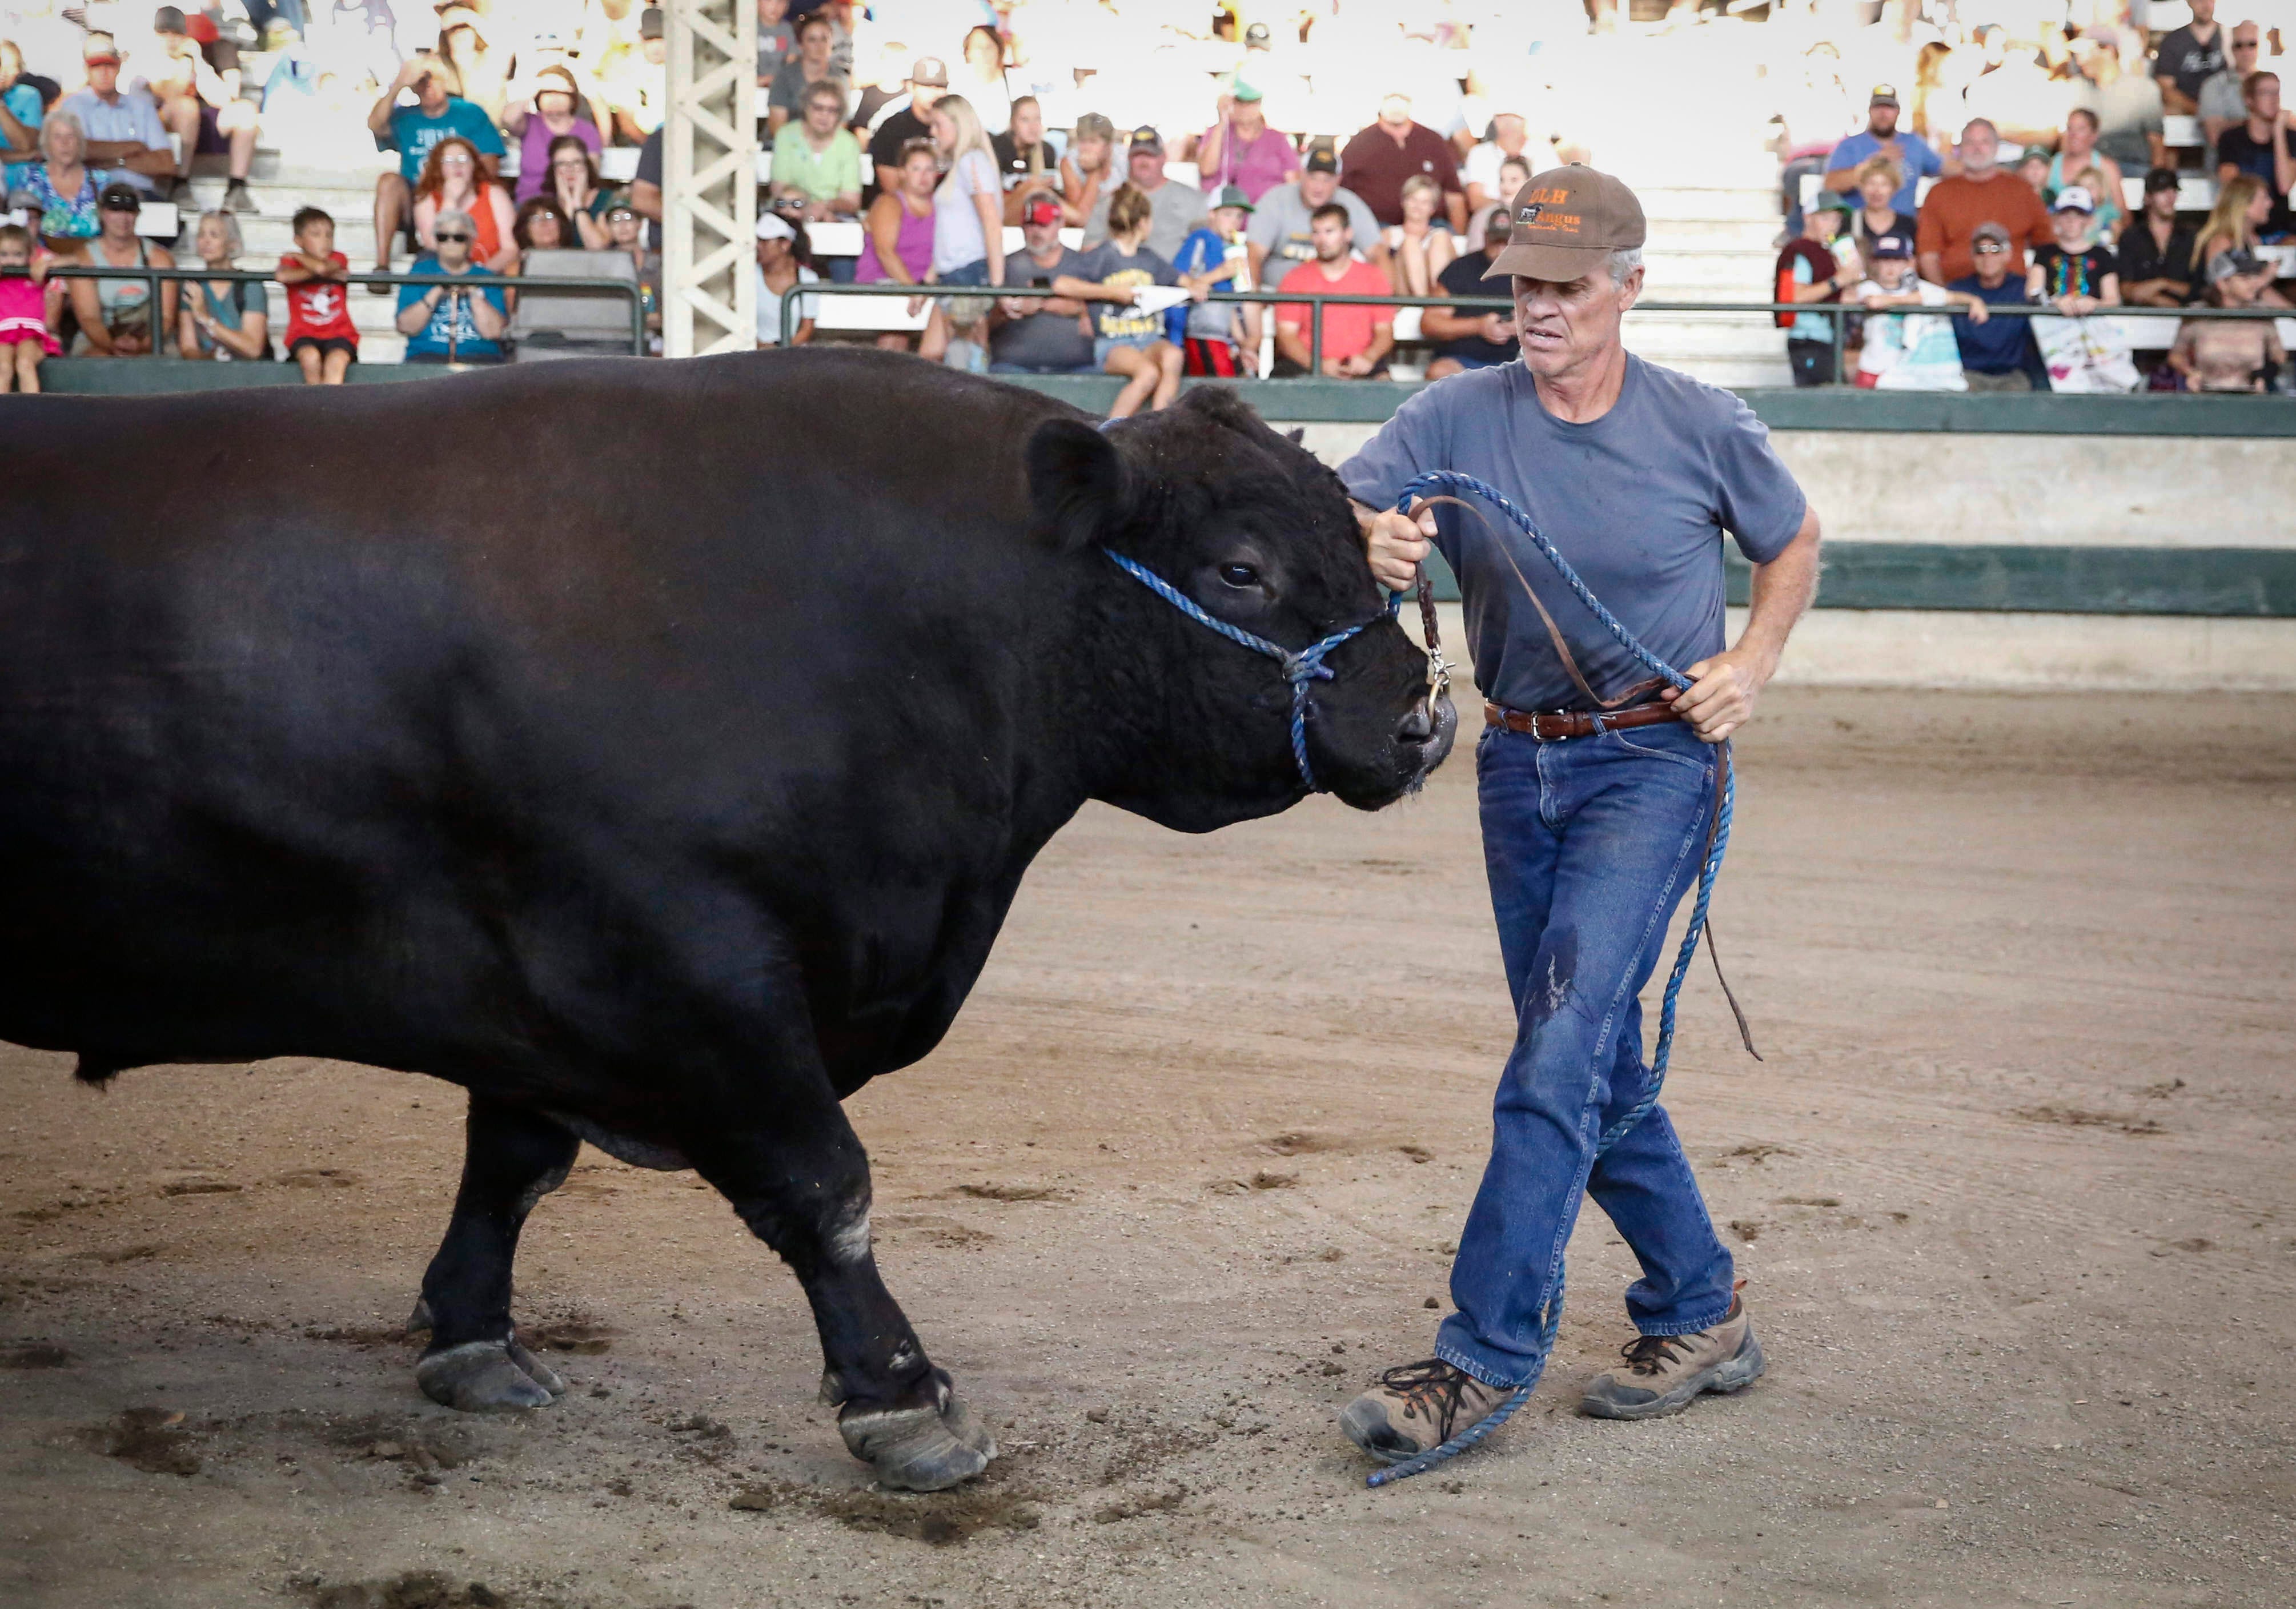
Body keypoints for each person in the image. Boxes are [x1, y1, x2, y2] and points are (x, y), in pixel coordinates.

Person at [1340, 164, 1820, 1467]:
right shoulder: (1456, 409)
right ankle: (1699, 1304)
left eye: (1564, 288)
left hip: (1654, 763)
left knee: (1556, 1055)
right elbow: (1346, 499)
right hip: (1518, 766)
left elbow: (1793, 540)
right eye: (1522, 288)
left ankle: (1478, 1359)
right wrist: (1374, 537)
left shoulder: (1699, 422)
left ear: (1629, 286)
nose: (1537, 311)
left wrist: (1752, 665)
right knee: (1592, 1062)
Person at [1050, 182, 1199, 418]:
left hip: (1148, 337)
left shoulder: (1149, 258)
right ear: (1142, 223)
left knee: (1174, 356)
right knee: (1148, 374)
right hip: (1114, 341)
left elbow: (1181, 280)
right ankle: (1111, 432)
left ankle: (1159, 429)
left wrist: (1196, 285)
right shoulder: (1102, 255)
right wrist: (1112, 292)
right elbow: (1061, 284)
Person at [368, 54, 503, 278]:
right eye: (421, 81)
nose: (429, 86)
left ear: (446, 81)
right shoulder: (405, 116)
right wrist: (399, 84)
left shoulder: (470, 113)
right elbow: (375, 125)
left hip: (461, 197)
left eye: (435, 79)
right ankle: (382, 266)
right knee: (388, 181)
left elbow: (490, 166)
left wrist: (453, 185)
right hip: (415, 199)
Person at [144, 5, 258, 212]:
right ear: (156, 35)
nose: (170, 39)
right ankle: (180, 183)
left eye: (176, 34)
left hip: (200, 123)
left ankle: (237, 187)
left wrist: (197, 61)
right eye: (164, 34)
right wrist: (185, 64)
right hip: (163, 123)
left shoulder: (196, 55)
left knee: (246, 111)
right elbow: (169, 93)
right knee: (187, 107)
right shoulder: (148, 56)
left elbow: (224, 99)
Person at [1917, 119, 2053, 285]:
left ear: (1996, 148)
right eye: (1970, 142)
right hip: (1956, 296)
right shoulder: (1939, 193)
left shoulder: (2022, 191)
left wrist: (2035, 288)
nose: (1977, 149)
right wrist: (1944, 298)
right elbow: (1928, 254)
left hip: (2013, 297)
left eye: (1984, 142)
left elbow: (2048, 246)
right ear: (1959, 149)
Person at [926, 92, 1004, 371]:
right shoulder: (964, 165)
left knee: (963, 356)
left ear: (958, 124)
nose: (933, 133)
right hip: (954, 273)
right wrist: (928, 281)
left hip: (967, 272)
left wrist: (996, 285)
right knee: (938, 353)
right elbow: (954, 232)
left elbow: (991, 222)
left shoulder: (972, 162)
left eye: (938, 125)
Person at [1271, 202, 1394, 379]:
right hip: (1305, 367)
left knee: (1385, 387)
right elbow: (1286, 336)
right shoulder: (1294, 279)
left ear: (1348, 234)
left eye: (1329, 232)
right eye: (1316, 232)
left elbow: (1385, 332)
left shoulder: (1374, 277)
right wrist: (1317, 365)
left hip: (1361, 366)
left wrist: (1368, 358)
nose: (1322, 240)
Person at [1853, 231, 1984, 390]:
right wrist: (1919, 299)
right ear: (1874, 263)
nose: (1891, 266)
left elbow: (1952, 297)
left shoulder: (1920, 289)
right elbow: (1874, 302)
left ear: (1910, 263)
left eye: (1898, 260)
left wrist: (1974, 301)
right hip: (1874, 369)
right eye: (1885, 260)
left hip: (1907, 373)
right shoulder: (1868, 287)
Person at [988, 191, 1097, 375]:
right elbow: (985, 323)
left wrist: (1076, 308)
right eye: (1030, 225)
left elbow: (1106, 319)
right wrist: (1010, 310)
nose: (1036, 231)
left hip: (1079, 368)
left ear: (1061, 223)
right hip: (1013, 367)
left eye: (1043, 224)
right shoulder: (1004, 267)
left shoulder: (1084, 264)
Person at [1247, 147, 1387, 287]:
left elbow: (1376, 252)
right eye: (1313, 178)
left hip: (1336, 297)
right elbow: (1253, 254)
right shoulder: (1275, 200)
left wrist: (1386, 302)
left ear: (1338, 181)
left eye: (1327, 180)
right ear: (1302, 175)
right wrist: (1254, 299)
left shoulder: (1351, 204)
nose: (1319, 187)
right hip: (1277, 294)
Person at [856, 137, 943, 356]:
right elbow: (885, 251)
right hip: (888, 281)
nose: (923, 176)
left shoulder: (943, 207)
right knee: (895, 334)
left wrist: (924, 288)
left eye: (929, 169)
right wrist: (913, 290)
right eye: (916, 169)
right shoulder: (889, 202)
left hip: (928, 286)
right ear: (903, 173)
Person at [55, 37, 172, 200]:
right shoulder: (74, 105)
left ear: (118, 67)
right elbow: (78, 151)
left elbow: (165, 163)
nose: (103, 72)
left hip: (140, 193)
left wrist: (117, 161)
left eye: (109, 65)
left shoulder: (142, 107)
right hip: (93, 194)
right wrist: (135, 146)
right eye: (96, 66)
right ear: (87, 70)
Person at [67, 181, 174, 357]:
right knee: (96, 360)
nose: (123, 218)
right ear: (102, 213)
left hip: (150, 337)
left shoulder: (160, 258)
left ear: (138, 214)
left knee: (162, 365)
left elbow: (166, 317)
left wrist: (143, 345)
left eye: (129, 211)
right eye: (115, 210)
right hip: (99, 338)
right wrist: (111, 345)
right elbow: (89, 318)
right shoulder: (86, 258)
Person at [396, 207, 509, 363]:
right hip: (426, 356)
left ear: (471, 241)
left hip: (480, 358)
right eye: (443, 237)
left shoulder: (486, 277)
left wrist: (474, 293)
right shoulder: (420, 273)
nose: (450, 242)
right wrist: (438, 290)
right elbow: (406, 326)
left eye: (459, 237)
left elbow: (493, 332)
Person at [1339, 92, 1466, 232]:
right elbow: (1341, 194)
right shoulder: (1359, 144)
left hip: (1433, 226)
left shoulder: (1433, 141)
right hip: (1376, 228)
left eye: (1401, 98)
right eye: (1391, 97)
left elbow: (1454, 195)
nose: (1396, 104)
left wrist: (1459, 239)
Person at [1823, 83, 1952, 216]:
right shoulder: (1850, 146)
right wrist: (1873, 163)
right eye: (1878, 107)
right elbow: (1831, 185)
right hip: (1860, 227)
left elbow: (1946, 168)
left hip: (1904, 228)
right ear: (1870, 111)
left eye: (1889, 108)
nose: (1883, 113)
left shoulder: (1914, 143)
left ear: (1898, 112)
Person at [1167, 183, 1256, 376]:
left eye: (1239, 216)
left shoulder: (1230, 248)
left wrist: (1243, 343)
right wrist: (1220, 273)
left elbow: (1227, 303)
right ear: (1212, 214)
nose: (1234, 222)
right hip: (1199, 330)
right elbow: (1179, 281)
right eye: (1228, 214)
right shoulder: (1200, 239)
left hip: (1221, 335)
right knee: (1217, 394)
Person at [1083, 129, 1209, 263]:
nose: (1144, 162)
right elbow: (1089, 250)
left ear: (1163, 157)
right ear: (1129, 159)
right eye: (1138, 156)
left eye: (1151, 156)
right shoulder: (1109, 201)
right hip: (1119, 280)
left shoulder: (1195, 200)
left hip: (1175, 281)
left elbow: (1209, 246)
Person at [1422, 211, 1519, 382]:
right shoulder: (1461, 269)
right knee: (1440, 372)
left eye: (1506, 242)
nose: (1500, 248)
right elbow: (1431, 322)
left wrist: (1522, 326)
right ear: (1485, 236)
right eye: (1495, 241)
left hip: (1519, 363)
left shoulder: (1531, 272)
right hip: (1462, 362)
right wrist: (1479, 326)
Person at [2169, 250, 2285, 388]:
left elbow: (2278, 356)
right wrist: (2191, 373)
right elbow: (2177, 355)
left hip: (2252, 398)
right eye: (2244, 278)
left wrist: (2263, 376)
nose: (2255, 283)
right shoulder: (2198, 313)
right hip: (2207, 395)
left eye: (2255, 276)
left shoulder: (2262, 314)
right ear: (2222, 283)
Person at [1949, 221, 2042, 390]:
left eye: (1995, 250)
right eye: (1980, 251)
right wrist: (1971, 300)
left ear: (2008, 254)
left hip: (2013, 374)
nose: (1988, 257)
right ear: (1972, 255)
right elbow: (1933, 296)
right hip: (1968, 373)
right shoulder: (1958, 289)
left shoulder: (2023, 288)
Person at [1773, 196, 1854, 387]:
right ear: (1808, 218)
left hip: (1826, 339)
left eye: (1836, 220)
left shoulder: (1827, 252)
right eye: (1825, 218)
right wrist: (1838, 280)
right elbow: (1796, 296)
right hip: (1808, 340)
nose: (1832, 226)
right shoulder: (1801, 250)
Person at [413, 135, 518, 276]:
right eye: (449, 161)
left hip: (490, 274)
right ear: (439, 167)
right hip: (443, 277)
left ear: (474, 165)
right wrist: (450, 201)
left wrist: (477, 276)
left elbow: (510, 249)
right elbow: (434, 246)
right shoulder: (427, 199)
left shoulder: (494, 194)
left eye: (464, 159)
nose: (457, 166)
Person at [278, 204, 358, 383]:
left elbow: (322, 267)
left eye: (329, 235)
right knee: (310, 357)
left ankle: (329, 409)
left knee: (337, 360)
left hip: (339, 333)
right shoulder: (288, 262)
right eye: (316, 235)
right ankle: (316, 407)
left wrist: (298, 258)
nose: (325, 241)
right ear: (299, 240)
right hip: (303, 334)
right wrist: (317, 271)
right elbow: (282, 275)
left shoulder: (338, 258)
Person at [176, 208, 269, 362]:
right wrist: (210, 358)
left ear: (232, 243)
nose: (206, 241)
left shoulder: (250, 286)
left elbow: (253, 349)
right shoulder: (191, 286)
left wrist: (205, 318)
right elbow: (188, 349)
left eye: (214, 235)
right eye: (201, 235)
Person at [504, 65, 603, 206]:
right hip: (530, 205)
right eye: (548, 92)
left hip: (575, 204)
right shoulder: (530, 123)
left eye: (561, 93)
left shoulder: (587, 130)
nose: (554, 98)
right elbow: (508, 120)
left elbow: (592, 175)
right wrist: (532, 89)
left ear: (573, 96)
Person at [2215, 71, 2296, 237]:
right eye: (2266, 93)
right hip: (2240, 227)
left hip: (2279, 229)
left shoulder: (2291, 138)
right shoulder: (2232, 138)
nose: (2274, 99)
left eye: (2277, 92)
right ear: (2249, 100)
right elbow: (2233, 189)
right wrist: (2246, 231)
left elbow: (2285, 186)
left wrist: (2279, 132)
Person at [1194, 75, 1298, 204]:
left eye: (1251, 103)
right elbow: (1206, 169)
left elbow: (1293, 183)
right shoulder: (1218, 132)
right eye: (1240, 102)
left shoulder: (1277, 139)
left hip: (1266, 212)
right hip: (1225, 213)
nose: (1245, 108)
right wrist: (1222, 121)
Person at [771, 79, 862, 219]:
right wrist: (807, 210)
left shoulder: (849, 143)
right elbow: (779, 190)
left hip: (834, 214)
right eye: (818, 108)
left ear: (840, 114)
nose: (824, 115)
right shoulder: (786, 135)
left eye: (832, 110)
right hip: (791, 212)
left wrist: (825, 207)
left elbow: (851, 201)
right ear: (806, 108)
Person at [7, 111, 101, 246]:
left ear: (80, 142)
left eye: (71, 136)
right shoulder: (29, 178)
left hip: (90, 262)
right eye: (57, 137)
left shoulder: (100, 181)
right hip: (40, 261)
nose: (65, 143)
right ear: (46, 143)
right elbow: (17, 231)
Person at [2028, 186, 2122, 312]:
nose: (2071, 221)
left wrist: (2093, 304)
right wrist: (2056, 302)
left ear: (2089, 220)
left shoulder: (2103, 256)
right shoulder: (2044, 253)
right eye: (2065, 214)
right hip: (2050, 326)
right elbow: (2033, 292)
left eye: (2079, 215)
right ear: (2056, 218)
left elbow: (2113, 300)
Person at [866, 57, 945, 203]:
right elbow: (891, 188)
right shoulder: (891, 129)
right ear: (911, 87)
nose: (933, 93)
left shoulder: (951, 128)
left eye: (939, 87)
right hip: (901, 212)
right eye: (926, 86)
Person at [2119, 168, 2199, 306]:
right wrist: (2162, 300)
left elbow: (2198, 288)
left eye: (2174, 191)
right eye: (2162, 191)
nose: (2170, 197)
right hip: (2140, 318)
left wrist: (2163, 284)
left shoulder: (2191, 236)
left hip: (2187, 317)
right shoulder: (2131, 237)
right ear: (2148, 197)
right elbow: (2126, 290)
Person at [2050, 110, 2126, 239]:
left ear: (2094, 135)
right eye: (2070, 128)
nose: (2073, 134)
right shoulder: (2052, 165)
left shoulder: (2108, 167)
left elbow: (2123, 216)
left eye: (2081, 129)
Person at [1462, 110, 1555, 217]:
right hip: (1491, 221)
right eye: (1502, 116)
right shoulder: (1479, 153)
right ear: (1495, 120)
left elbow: (1558, 196)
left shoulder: (1544, 150)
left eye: (1515, 117)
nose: (1508, 123)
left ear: (1525, 121)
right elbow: (1476, 202)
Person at [0, 220, 57, 391]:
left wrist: (47, 264)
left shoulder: (35, 275)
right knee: (3, 368)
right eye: (3, 254)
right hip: (3, 332)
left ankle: (32, 415)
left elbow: (75, 260)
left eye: (17, 254)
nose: (10, 260)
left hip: (32, 333)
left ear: (29, 255)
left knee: (25, 364)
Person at [767, 11, 840, 135]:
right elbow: (777, 127)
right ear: (801, 45)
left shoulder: (839, 78)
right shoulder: (784, 76)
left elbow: (840, 125)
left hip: (827, 147)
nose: (820, 46)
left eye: (825, 39)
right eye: (812, 40)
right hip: (789, 145)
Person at [1383, 172, 1455, 298]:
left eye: (1425, 202)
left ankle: (1437, 302)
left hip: (1437, 290)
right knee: (1411, 242)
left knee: (1441, 236)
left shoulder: (1442, 236)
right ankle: (1422, 303)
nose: (1418, 206)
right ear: (1403, 202)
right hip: (1401, 293)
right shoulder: (1389, 234)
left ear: (1433, 208)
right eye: (1413, 200)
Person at [603, 6, 667, 146]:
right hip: (640, 144)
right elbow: (626, 121)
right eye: (650, 39)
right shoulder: (626, 69)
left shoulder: (682, 68)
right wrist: (652, 148)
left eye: (661, 39)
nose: (656, 46)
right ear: (641, 37)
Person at [753, 211, 816, 348]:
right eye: (758, 240)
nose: (758, 246)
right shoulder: (749, 275)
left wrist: (779, 351)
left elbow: (806, 329)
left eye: (764, 241)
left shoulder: (808, 278)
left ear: (785, 244)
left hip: (792, 357)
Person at [536, 135, 612, 248]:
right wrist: (567, 205)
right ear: (553, 169)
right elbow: (554, 248)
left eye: (576, 162)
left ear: (587, 166)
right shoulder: (546, 204)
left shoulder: (607, 199)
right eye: (562, 164)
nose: (569, 169)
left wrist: (578, 205)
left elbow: (598, 248)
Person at [2198, 22, 2263, 154]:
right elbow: (2214, 136)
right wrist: (2261, 123)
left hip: (2267, 167)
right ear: (2231, 48)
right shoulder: (2214, 85)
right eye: (2239, 45)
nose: (2245, 52)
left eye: (2252, 44)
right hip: (2226, 168)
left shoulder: (2273, 83)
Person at [439, 6, 511, 125]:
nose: (459, 32)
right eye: (453, 29)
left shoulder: (493, 59)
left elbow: (507, 44)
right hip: (455, 138)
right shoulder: (439, 66)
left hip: (492, 135)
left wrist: (468, 16)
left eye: (464, 26)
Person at [2155, 0, 2227, 116]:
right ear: (2189, 2)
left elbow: (2245, 78)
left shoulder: (2230, 37)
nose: (2206, 5)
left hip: (2226, 115)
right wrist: (2198, 111)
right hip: (2186, 114)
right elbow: (2166, 89)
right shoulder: (2173, 41)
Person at [992, 95, 1057, 223]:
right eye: (1025, 120)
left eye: (1037, 119)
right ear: (1013, 123)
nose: (1033, 127)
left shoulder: (1047, 151)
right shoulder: (997, 149)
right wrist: (1026, 188)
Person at [1057, 110, 1115, 231]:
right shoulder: (1069, 162)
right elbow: (1082, 216)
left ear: (1108, 146)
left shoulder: (1124, 159)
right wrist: (1094, 171)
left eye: (1094, 142)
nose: (1087, 148)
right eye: (1083, 141)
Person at [1464, 154, 1532, 254]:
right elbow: (1474, 254)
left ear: (1528, 182)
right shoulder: (1483, 215)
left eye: (1514, 180)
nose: (1506, 187)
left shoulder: (1541, 215)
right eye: (1502, 180)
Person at [952, 25, 1007, 137]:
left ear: (999, 50)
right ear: (968, 52)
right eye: (978, 47)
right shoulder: (957, 87)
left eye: (989, 47)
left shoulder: (1014, 84)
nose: (984, 53)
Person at [1849, 156, 1913, 255]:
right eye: (1871, 183)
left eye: (1884, 184)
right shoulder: (1848, 222)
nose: (1877, 191)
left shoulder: (1908, 225)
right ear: (1861, 187)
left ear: (1894, 189)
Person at [0, 39, 43, 163]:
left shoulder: (28, 95)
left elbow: (26, 146)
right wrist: (21, 156)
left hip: (20, 177)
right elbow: (28, 154)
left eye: (11, 67)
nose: (3, 73)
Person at [755, 0, 794, 87]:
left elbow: (791, 60)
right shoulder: (750, 26)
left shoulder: (786, 29)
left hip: (778, 84)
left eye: (780, 2)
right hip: (752, 83)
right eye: (769, 1)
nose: (775, 6)